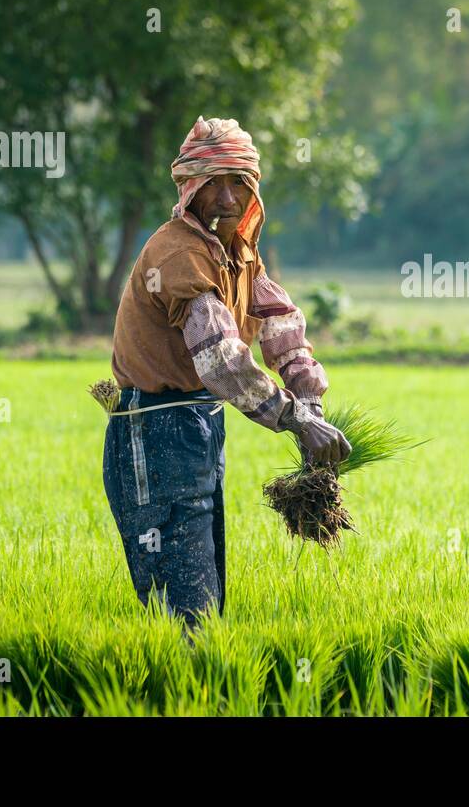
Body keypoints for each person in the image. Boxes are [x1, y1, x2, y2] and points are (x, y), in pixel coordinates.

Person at [102, 115, 351, 630]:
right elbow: (221, 358)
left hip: (199, 428)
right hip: (154, 431)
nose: (226, 198)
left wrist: (312, 401)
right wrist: (295, 420)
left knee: (207, 603)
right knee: (186, 611)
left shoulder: (239, 255)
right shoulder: (178, 253)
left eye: (238, 182)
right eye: (212, 184)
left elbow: (281, 326)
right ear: (189, 189)